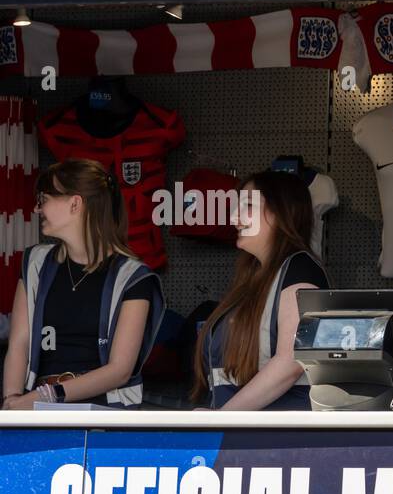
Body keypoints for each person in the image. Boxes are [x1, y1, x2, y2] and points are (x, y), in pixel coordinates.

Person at [3, 159, 163, 409]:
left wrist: (44, 397)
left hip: (105, 413)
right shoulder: (35, 262)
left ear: (75, 204)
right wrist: (12, 400)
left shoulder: (133, 277)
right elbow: (19, 342)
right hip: (36, 410)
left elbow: (120, 370)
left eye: (43, 199)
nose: (37, 209)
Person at [192, 170, 329, 411]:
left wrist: (222, 418)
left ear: (280, 212)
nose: (234, 218)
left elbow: (291, 361)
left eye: (247, 206)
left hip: (277, 439)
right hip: (245, 437)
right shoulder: (254, 279)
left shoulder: (300, 270)